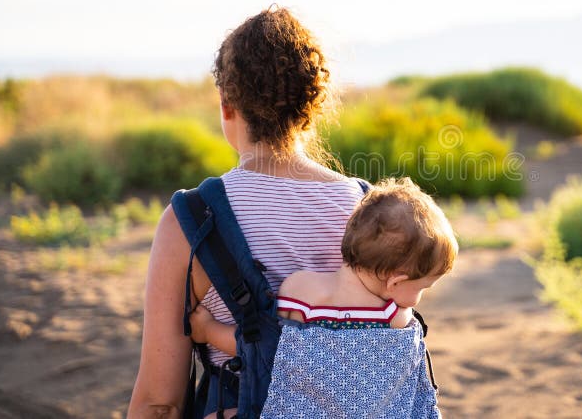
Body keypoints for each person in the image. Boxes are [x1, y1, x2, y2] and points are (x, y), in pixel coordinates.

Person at [128, 6, 368, 419]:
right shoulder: (367, 207)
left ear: (226, 104)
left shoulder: (193, 217)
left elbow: (160, 402)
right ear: (311, 106)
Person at [189, 177, 458, 418]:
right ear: (396, 281)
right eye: (423, 288)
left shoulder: (300, 289)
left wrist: (207, 329)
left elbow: (263, 348)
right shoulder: (394, 316)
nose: (418, 298)